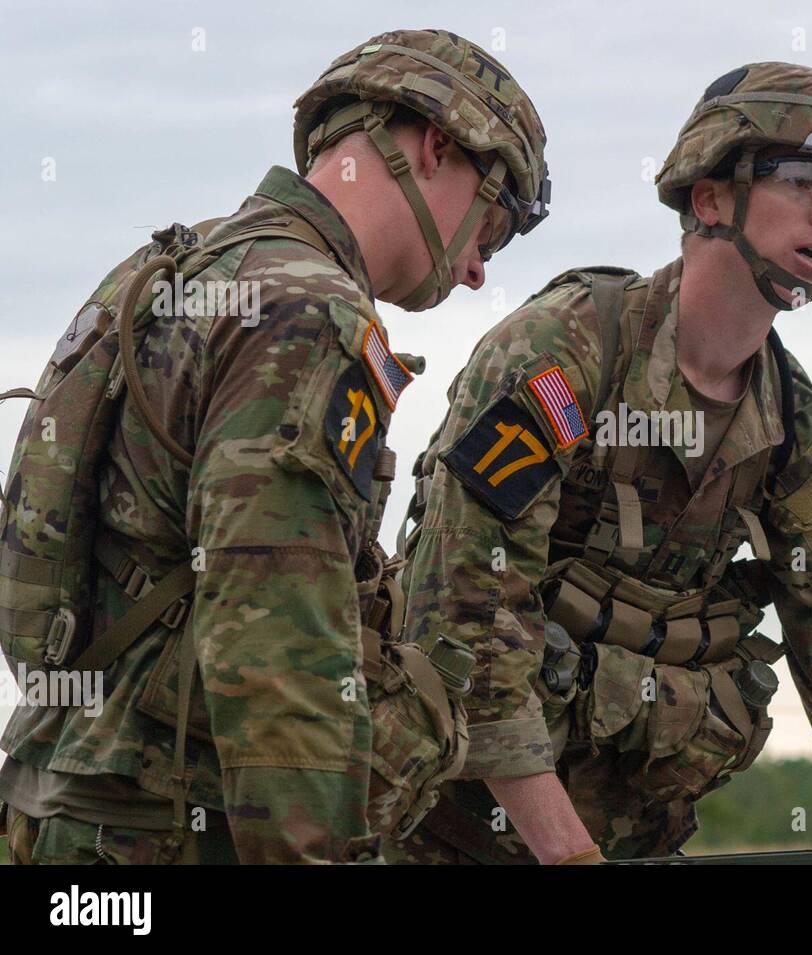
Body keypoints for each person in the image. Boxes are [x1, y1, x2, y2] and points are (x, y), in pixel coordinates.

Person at [0, 28, 549, 864]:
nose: (480, 268)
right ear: (436, 148)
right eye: (498, 225)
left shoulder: (180, 267)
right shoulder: (309, 312)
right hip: (172, 829)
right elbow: (279, 650)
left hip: (67, 800)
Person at [393, 62, 812, 864]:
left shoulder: (790, 420)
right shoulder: (565, 354)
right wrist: (567, 854)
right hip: (453, 835)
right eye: (809, 181)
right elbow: (464, 617)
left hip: (634, 838)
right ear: (709, 197)